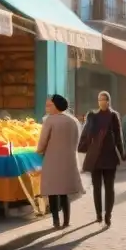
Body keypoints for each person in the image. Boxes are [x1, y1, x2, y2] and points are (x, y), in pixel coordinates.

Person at [79, 91, 126, 227]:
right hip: (95, 157)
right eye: (99, 99)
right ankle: (98, 214)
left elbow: (118, 136)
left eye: (104, 99)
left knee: (109, 188)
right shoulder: (92, 115)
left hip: (109, 157)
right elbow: (86, 133)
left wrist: (122, 152)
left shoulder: (113, 116)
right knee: (97, 188)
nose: (101, 102)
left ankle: (108, 215)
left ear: (108, 101)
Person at [36, 94, 83, 229]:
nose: (47, 108)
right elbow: (77, 140)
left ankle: (56, 221)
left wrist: (39, 151)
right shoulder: (73, 120)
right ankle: (66, 221)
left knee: (53, 191)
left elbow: (42, 142)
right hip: (69, 161)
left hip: (52, 160)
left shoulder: (49, 120)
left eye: (49, 105)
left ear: (56, 106)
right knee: (64, 192)